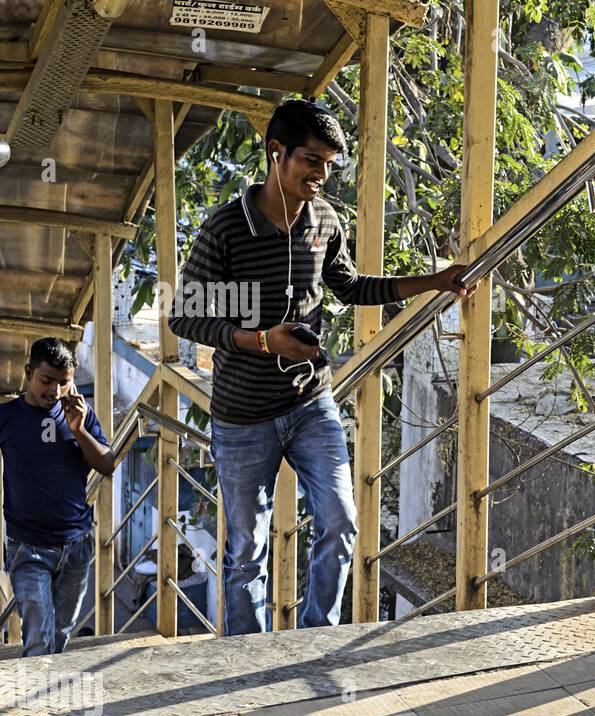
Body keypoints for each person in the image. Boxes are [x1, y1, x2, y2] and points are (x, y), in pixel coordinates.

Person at [170, 99, 476, 636]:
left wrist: (434, 281)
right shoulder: (226, 228)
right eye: (311, 161)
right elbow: (184, 316)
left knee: (340, 523)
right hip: (242, 417)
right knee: (247, 553)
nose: (322, 174)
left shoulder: (326, 221)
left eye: (330, 164)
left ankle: (314, 639)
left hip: (311, 403)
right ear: (276, 154)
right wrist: (262, 340)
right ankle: (247, 665)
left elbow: (353, 286)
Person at [0, 338, 114, 656]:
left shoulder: (81, 415)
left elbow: (106, 464)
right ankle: (38, 704)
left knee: (60, 634)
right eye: (46, 381)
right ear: (28, 372)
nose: (54, 391)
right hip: (28, 547)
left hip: (77, 545)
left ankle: (49, 700)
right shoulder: (7, 416)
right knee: (38, 637)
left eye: (64, 383)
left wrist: (79, 430)